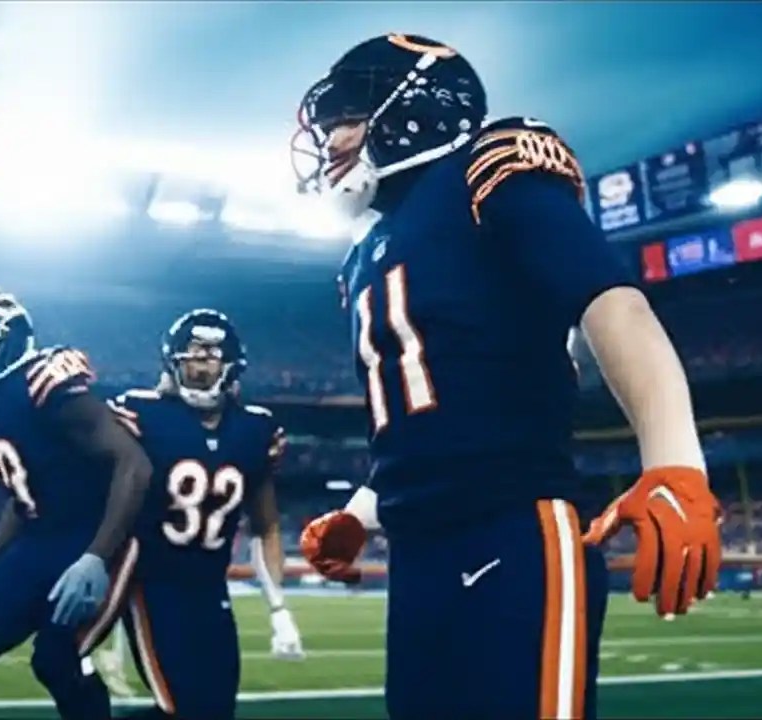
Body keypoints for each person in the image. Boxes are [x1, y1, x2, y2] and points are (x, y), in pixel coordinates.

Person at [291, 33, 722, 719]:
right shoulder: (365, 250)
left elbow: (612, 303)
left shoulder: (489, 167)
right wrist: (360, 513)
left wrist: (674, 461)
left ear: (413, 108)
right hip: (417, 549)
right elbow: (431, 413)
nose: (331, 139)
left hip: (510, 530)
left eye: (344, 116)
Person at [0, 286, 152, 720]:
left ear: (6, 339)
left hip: (91, 537)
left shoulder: (45, 384)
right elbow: (25, 494)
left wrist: (97, 555)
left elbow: (133, 463)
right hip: (36, 542)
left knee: (55, 660)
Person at [101, 309, 303, 719]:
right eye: (189, 359)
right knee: (185, 707)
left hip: (211, 590)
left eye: (209, 359)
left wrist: (279, 608)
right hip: (149, 583)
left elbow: (265, 526)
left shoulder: (255, 430)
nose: (197, 369)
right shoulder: (140, 413)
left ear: (231, 368)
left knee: (215, 710)